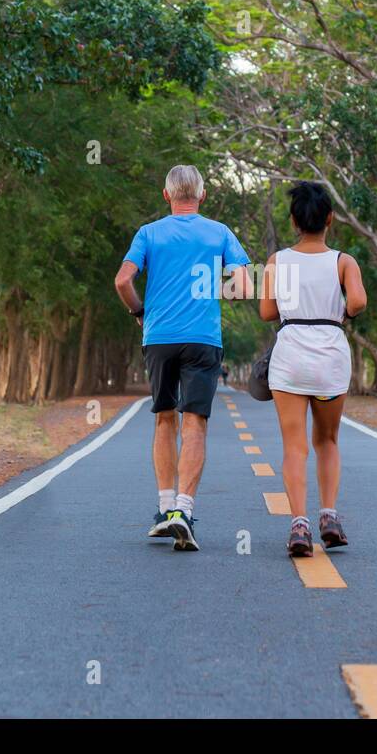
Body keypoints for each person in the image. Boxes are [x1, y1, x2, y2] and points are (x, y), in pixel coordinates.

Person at [114, 165, 251, 552]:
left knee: (163, 419)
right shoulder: (219, 233)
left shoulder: (149, 233)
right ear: (202, 196)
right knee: (195, 423)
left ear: (166, 195)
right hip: (202, 339)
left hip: (158, 337)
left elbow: (122, 280)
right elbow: (243, 286)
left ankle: (163, 510)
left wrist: (139, 312)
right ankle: (184, 512)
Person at [259, 182, 367, 556]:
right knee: (328, 440)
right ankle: (329, 516)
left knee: (295, 445)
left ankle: (299, 526)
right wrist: (342, 312)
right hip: (330, 357)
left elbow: (267, 312)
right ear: (330, 220)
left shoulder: (277, 261)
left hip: (290, 358)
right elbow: (358, 301)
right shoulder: (343, 262)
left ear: (294, 222)